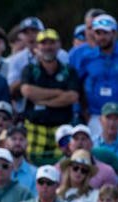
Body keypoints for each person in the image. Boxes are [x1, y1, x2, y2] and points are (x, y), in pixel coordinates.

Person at [19, 29, 79, 165]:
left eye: (52, 43)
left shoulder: (69, 71)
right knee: (32, 165)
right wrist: (58, 92)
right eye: (43, 43)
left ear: (59, 45)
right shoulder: (30, 70)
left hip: (62, 128)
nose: (48, 47)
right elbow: (27, 91)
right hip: (35, 128)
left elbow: (72, 97)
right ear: (37, 46)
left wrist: (43, 101)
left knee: (64, 166)